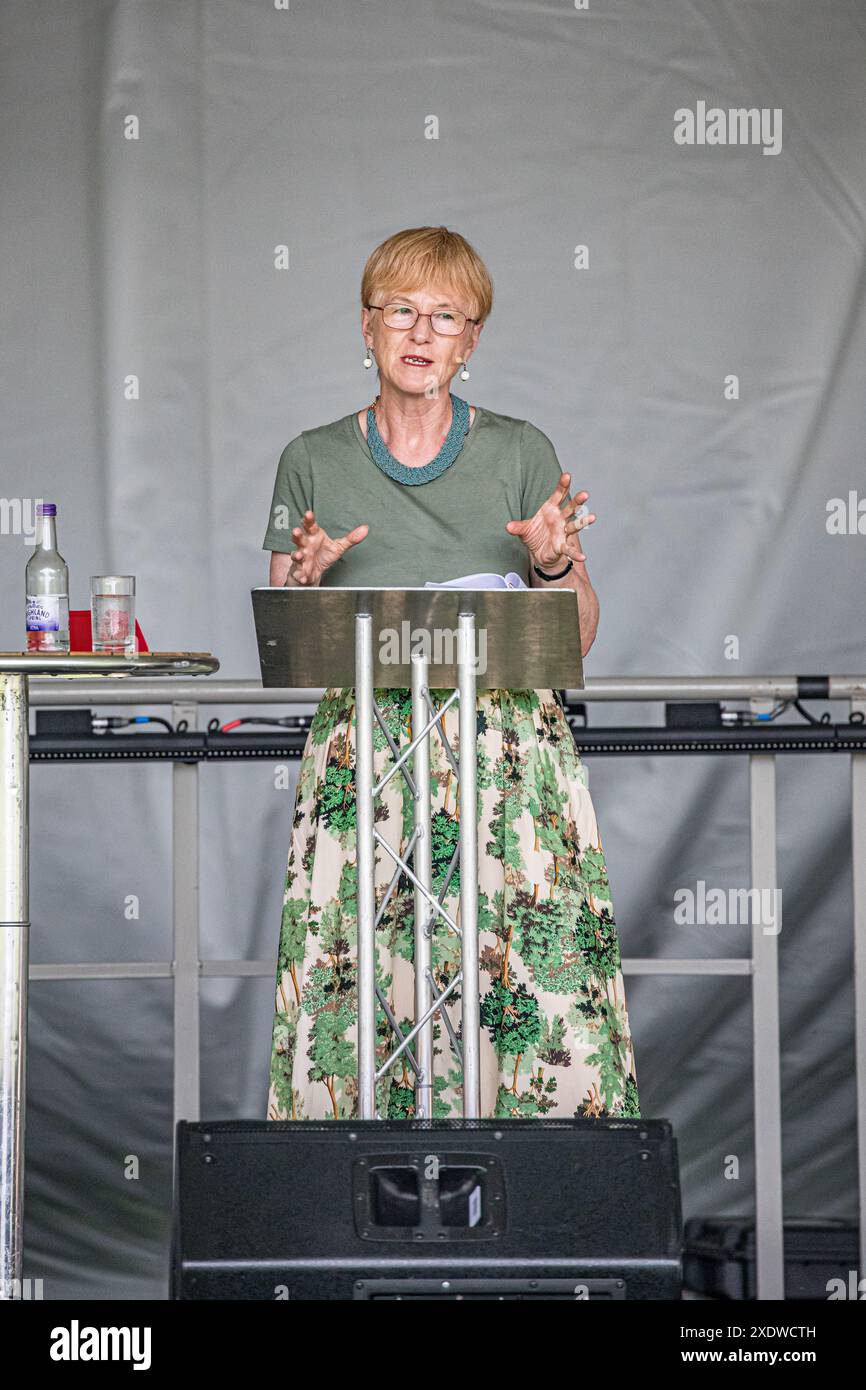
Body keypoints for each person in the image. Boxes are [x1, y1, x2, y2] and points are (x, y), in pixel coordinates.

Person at [262, 225, 640, 1121]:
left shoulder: (522, 453)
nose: (421, 333)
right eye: (401, 311)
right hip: (369, 757)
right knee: (361, 982)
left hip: (507, 755)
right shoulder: (311, 459)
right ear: (367, 327)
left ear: (471, 342)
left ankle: (544, 1227)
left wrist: (553, 568)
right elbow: (281, 646)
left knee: (527, 992)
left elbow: (577, 636)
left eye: (445, 316)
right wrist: (305, 578)